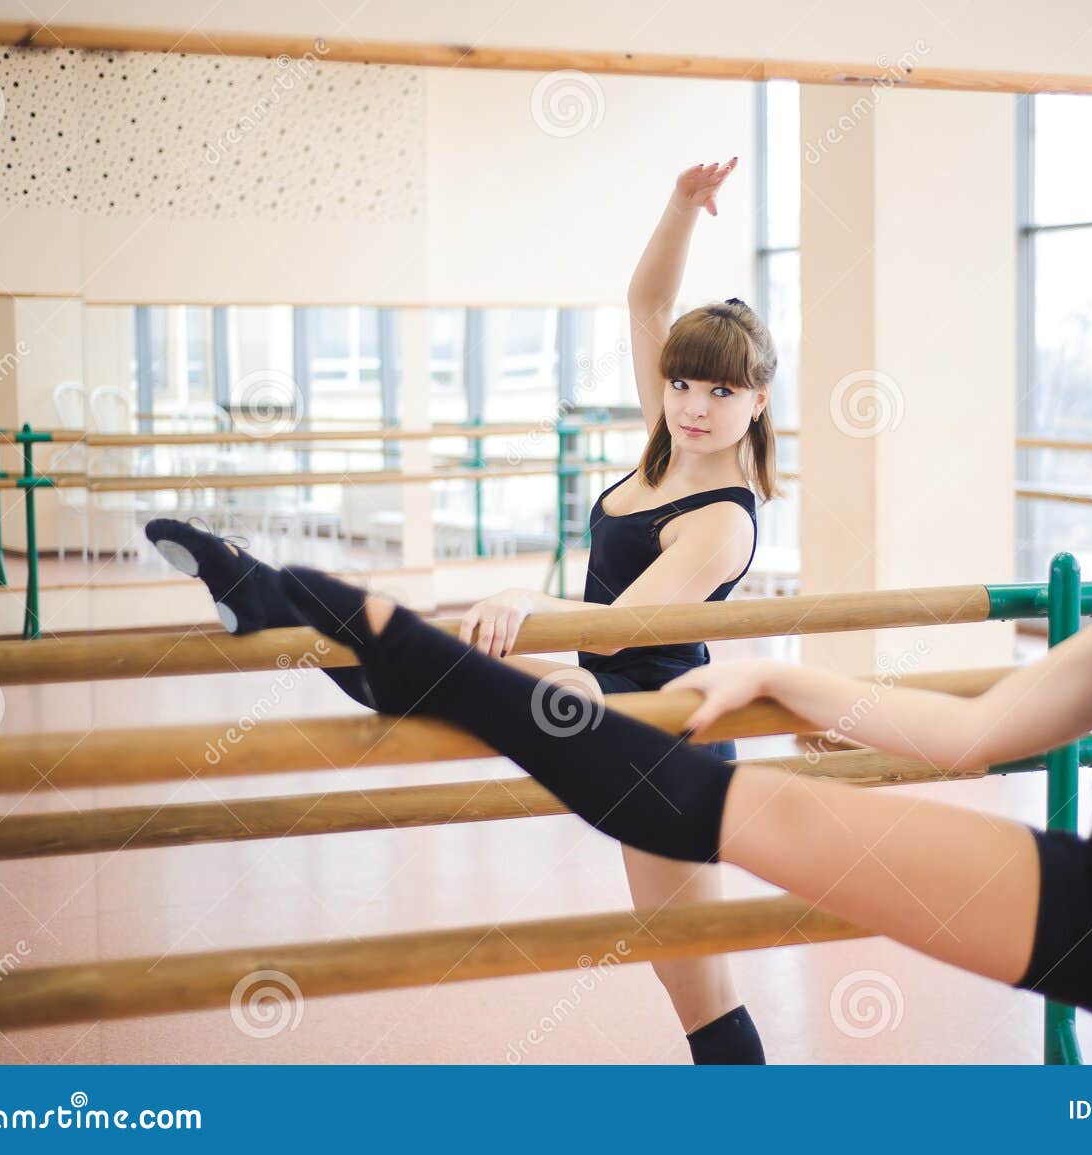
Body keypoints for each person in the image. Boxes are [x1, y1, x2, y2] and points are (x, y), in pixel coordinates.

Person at [270, 70, 1092, 1064]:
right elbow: (975, 734)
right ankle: (408, 659)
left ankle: (403, 656)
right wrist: (780, 679)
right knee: (728, 805)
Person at [145, 157, 780, 1064]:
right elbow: (646, 302)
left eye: (721, 392)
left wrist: (525, 598)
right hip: (608, 696)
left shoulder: (722, 521)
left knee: (698, 982)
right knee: (686, 975)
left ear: (758, 402)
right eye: (682, 383)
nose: (693, 405)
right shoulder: (666, 442)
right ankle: (272, 601)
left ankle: (273, 600)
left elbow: (621, 631)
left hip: (660, 726)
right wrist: (680, 204)